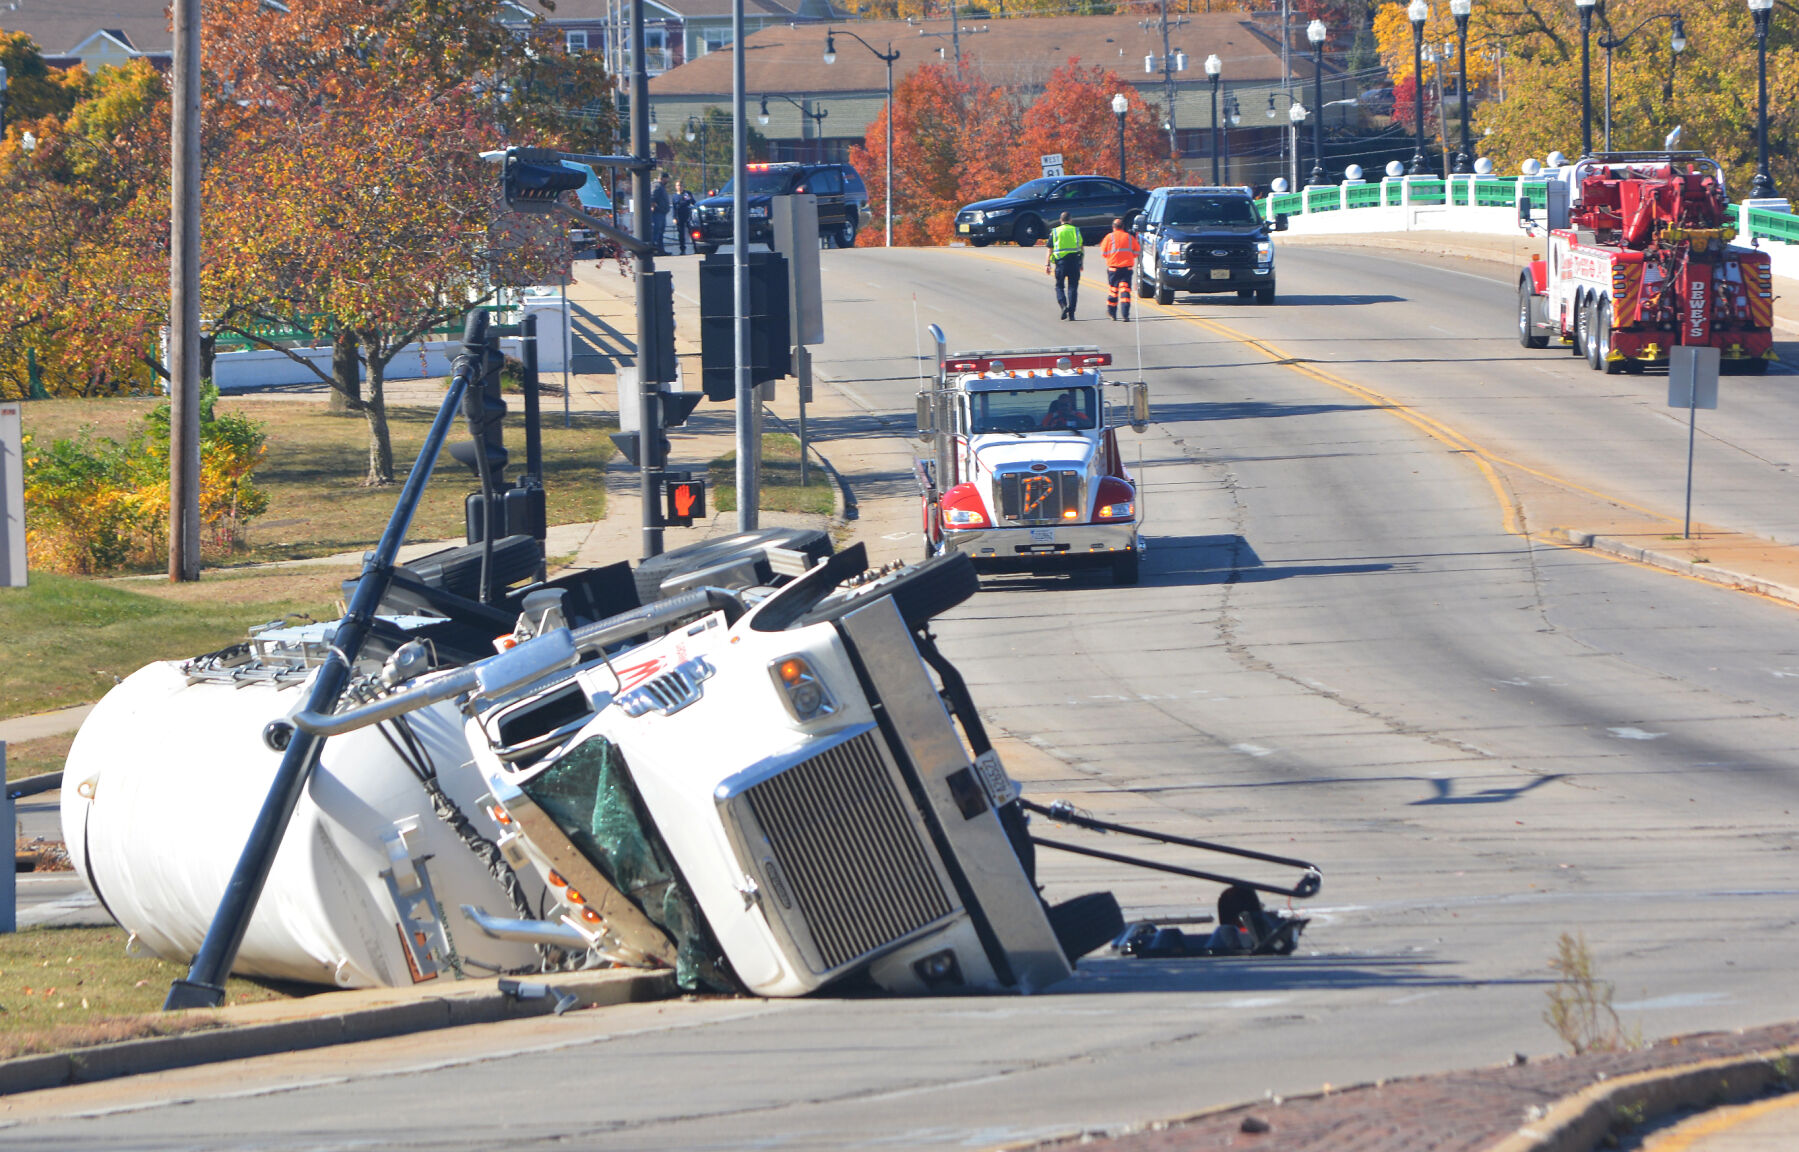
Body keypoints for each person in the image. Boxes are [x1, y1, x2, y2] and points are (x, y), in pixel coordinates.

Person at [1045, 212, 1085, 320]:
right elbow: (1081, 248)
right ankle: (1071, 314)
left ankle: (1063, 305)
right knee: (1073, 287)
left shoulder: (1055, 231)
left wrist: (1047, 264)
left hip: (1061, 263)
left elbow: (1049, 249)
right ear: (1070, 220)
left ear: (1060, 220)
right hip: (1074, 262)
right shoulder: (1076, 230)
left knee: (1059, 286)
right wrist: (1081, 263)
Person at [1100, 217, 1140, 321]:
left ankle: (1112, 313)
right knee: (1125, 291)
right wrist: (1128, 256)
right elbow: (1136, 252)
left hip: (1113, 269)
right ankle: (1125, 314)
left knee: (1113, 291)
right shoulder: (1129, 237)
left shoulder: (1109, 237)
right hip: (1126, 269)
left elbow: (1104, 253)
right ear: (1123, 227)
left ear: (1113, 227)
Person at [649, 172, 672, 255]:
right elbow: (652, 196)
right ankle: (654, 250)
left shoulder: (661, 186)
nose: (667, 180)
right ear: (663, 178)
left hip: (661, 213)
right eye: (667, 179)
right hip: (657, 213)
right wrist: (653, 205)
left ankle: (660, 250)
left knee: (660, 232)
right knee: (657, 232)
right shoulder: (657, 186)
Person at [672, 181, 696, 255]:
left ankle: (696, 247)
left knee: (691, 231)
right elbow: (674, 207)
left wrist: (688, 199)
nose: (679, 187)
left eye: (681, 185)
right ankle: (682, 249)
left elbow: (692, 202)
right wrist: (674, 217)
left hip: (688, 215)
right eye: (678, 185)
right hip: (679, 216)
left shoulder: (686, 193)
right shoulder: (675, 196)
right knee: (681, 233)